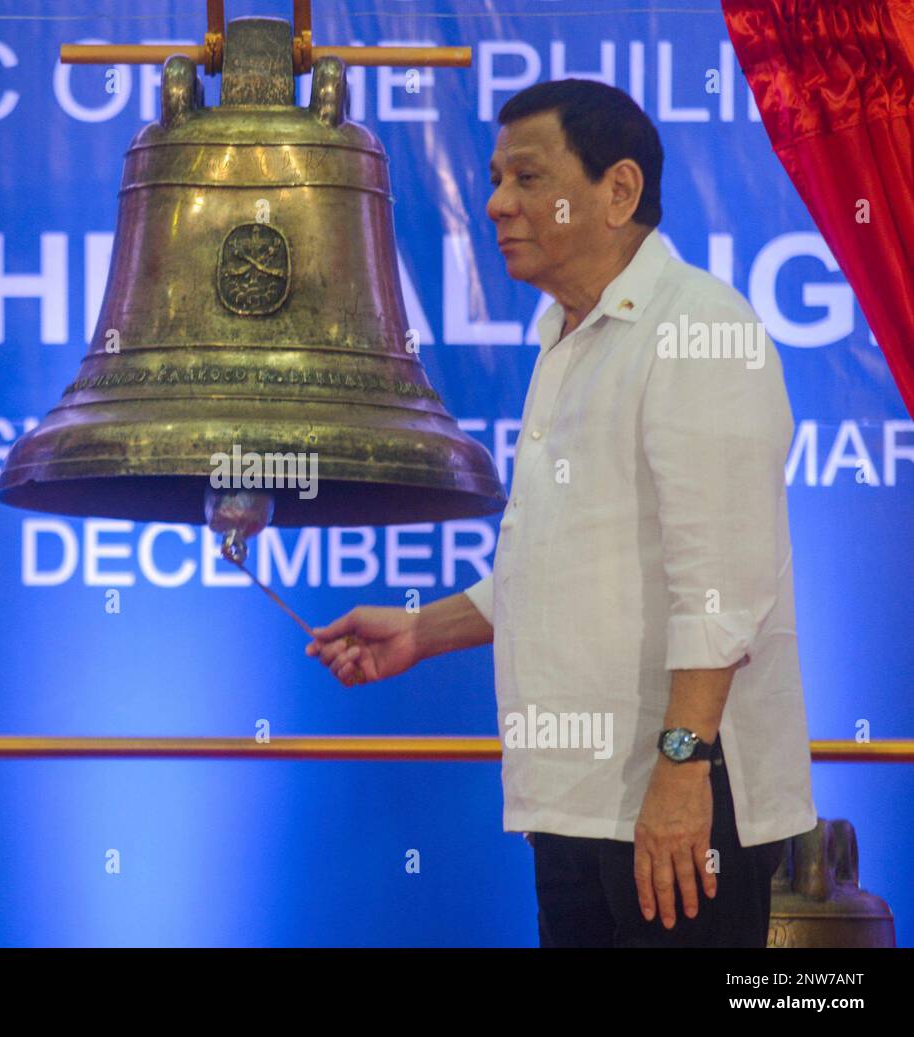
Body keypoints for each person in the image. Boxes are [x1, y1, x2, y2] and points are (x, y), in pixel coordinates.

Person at [306, 78, 817, 948]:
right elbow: (547, 571)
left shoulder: (697, 328)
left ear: (618, 191)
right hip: (576, 803)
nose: (498, 203)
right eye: (496, 178)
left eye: (528, 178)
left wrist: (683, 772)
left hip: (684, 798)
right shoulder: (563, 340)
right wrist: (421, 630)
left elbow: (726, 589)